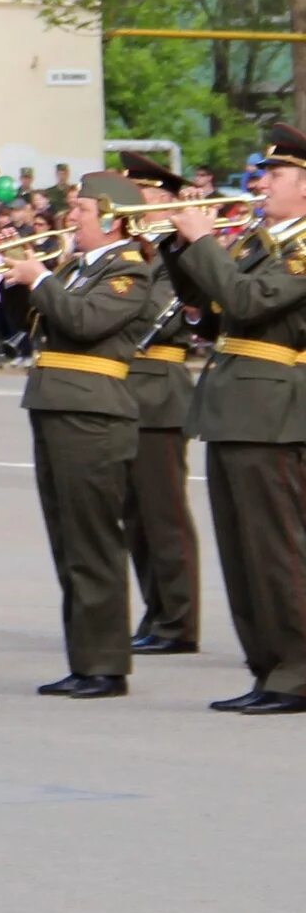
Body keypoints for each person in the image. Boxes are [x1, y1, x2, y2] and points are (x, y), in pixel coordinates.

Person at [163, 125, 306, 713]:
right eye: (264, 173)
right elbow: (210, 315)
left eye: (276, 175)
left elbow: (249, 304)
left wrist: (205, 245)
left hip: (273, 410)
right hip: (232, 405)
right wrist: (180, 248)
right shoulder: (259, 239)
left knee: (276, 551)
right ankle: (267, 668)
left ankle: (296, 673)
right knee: (241, 552)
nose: (261, 183)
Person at [0, 172, 152, 697]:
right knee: (68, 541)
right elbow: (43, 327)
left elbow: (84, 323)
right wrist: (22, 287)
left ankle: (106, 665)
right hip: (57, 405)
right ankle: (85, 659)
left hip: (92, 415)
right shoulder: (77, 268)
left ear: (113, 220)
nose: (73, 216)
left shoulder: (129, 271)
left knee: (93, 541)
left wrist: (41, 280)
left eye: (84, 209)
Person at [112, 152, 202, 654]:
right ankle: (157, 612)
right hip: (126, 389)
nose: (128, 201)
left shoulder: (176, 250)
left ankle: (179, 621)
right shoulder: (134, 249)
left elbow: (162, 316)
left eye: (139, 193)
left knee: (163, 514)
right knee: (136, 516)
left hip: (160, 390)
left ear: (164, 201)